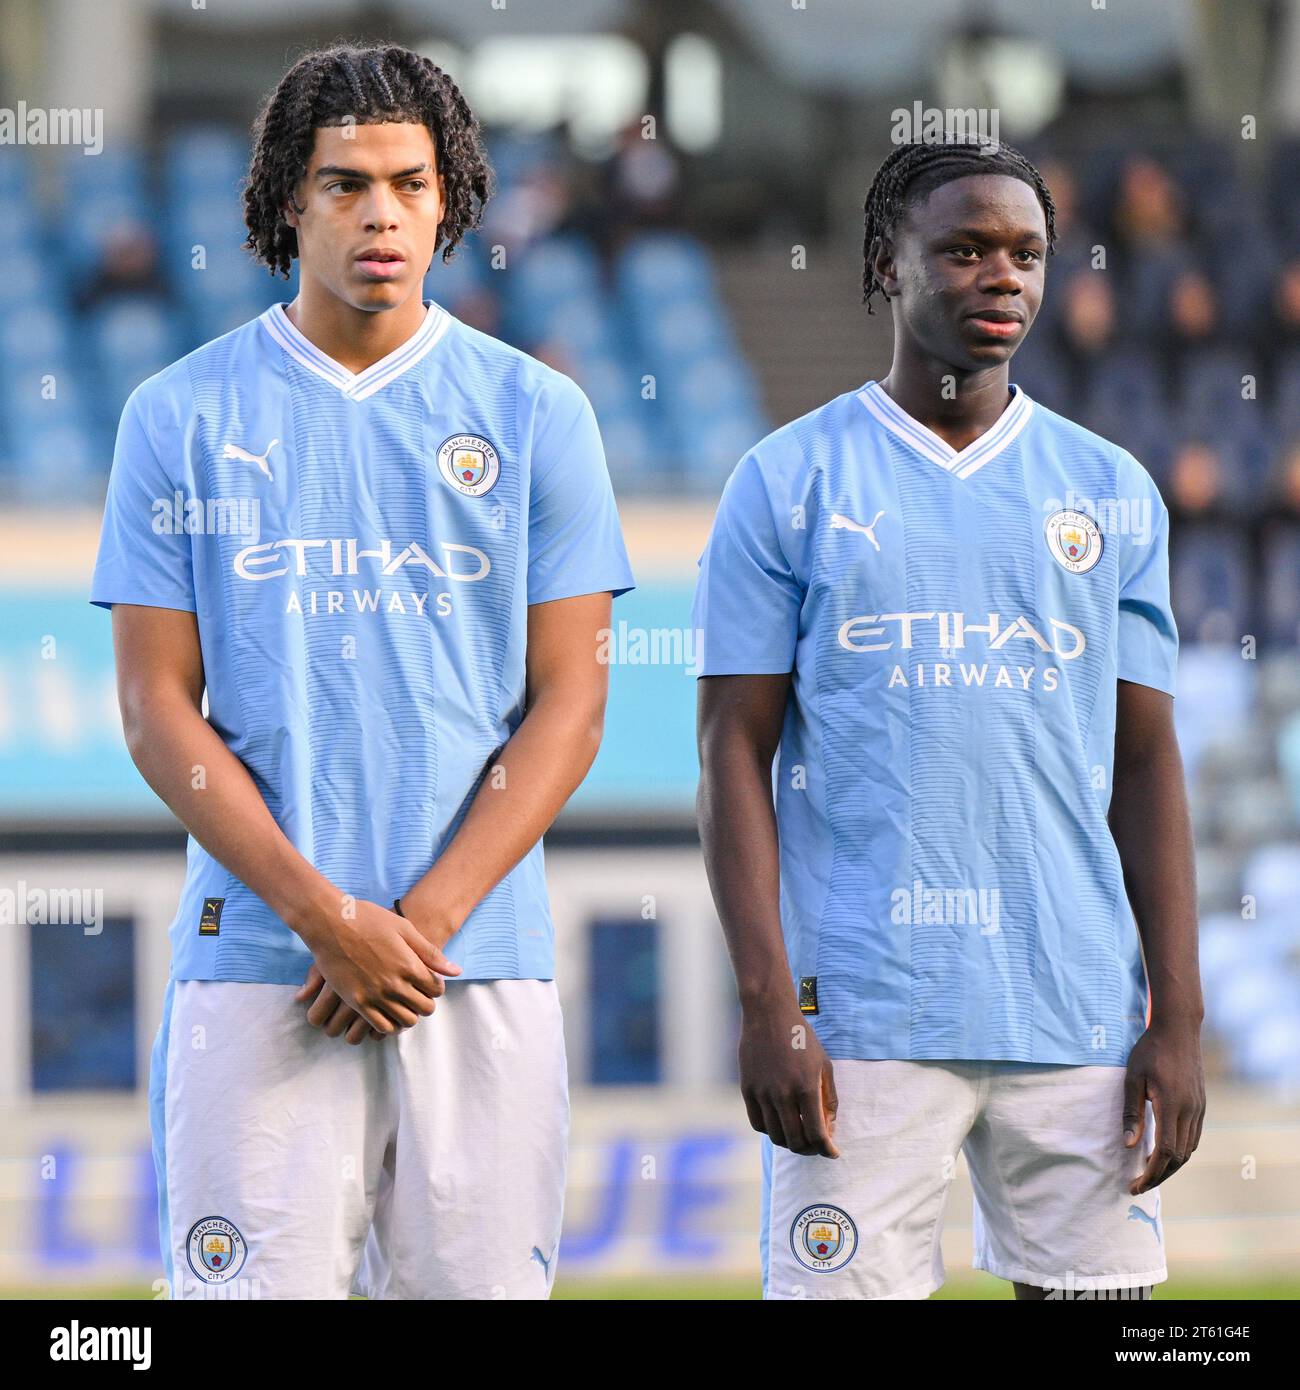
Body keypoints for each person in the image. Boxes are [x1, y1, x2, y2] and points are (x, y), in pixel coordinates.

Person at [91, 42, 634, 1300]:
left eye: (408, 183)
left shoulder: (539, 413)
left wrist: (417, 927)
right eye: (343, 184)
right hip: (256, 966)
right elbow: (152, 705)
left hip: (476, 964)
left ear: (451, 201)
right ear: (290, 196)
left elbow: (572, 702)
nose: (379, 213)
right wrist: (325, 920)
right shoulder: (177, 415)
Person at [693, 134, 1204, 1300]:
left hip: (1073, 1010)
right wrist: (768, 1001)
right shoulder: (786, 480)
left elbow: (1144, 759)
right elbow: (733, 752)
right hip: (864, 1011)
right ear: (887, 263)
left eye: (1024, 253)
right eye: (964, 249)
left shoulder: (1108, 488)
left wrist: (1175, 1016)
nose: (1001, 277)